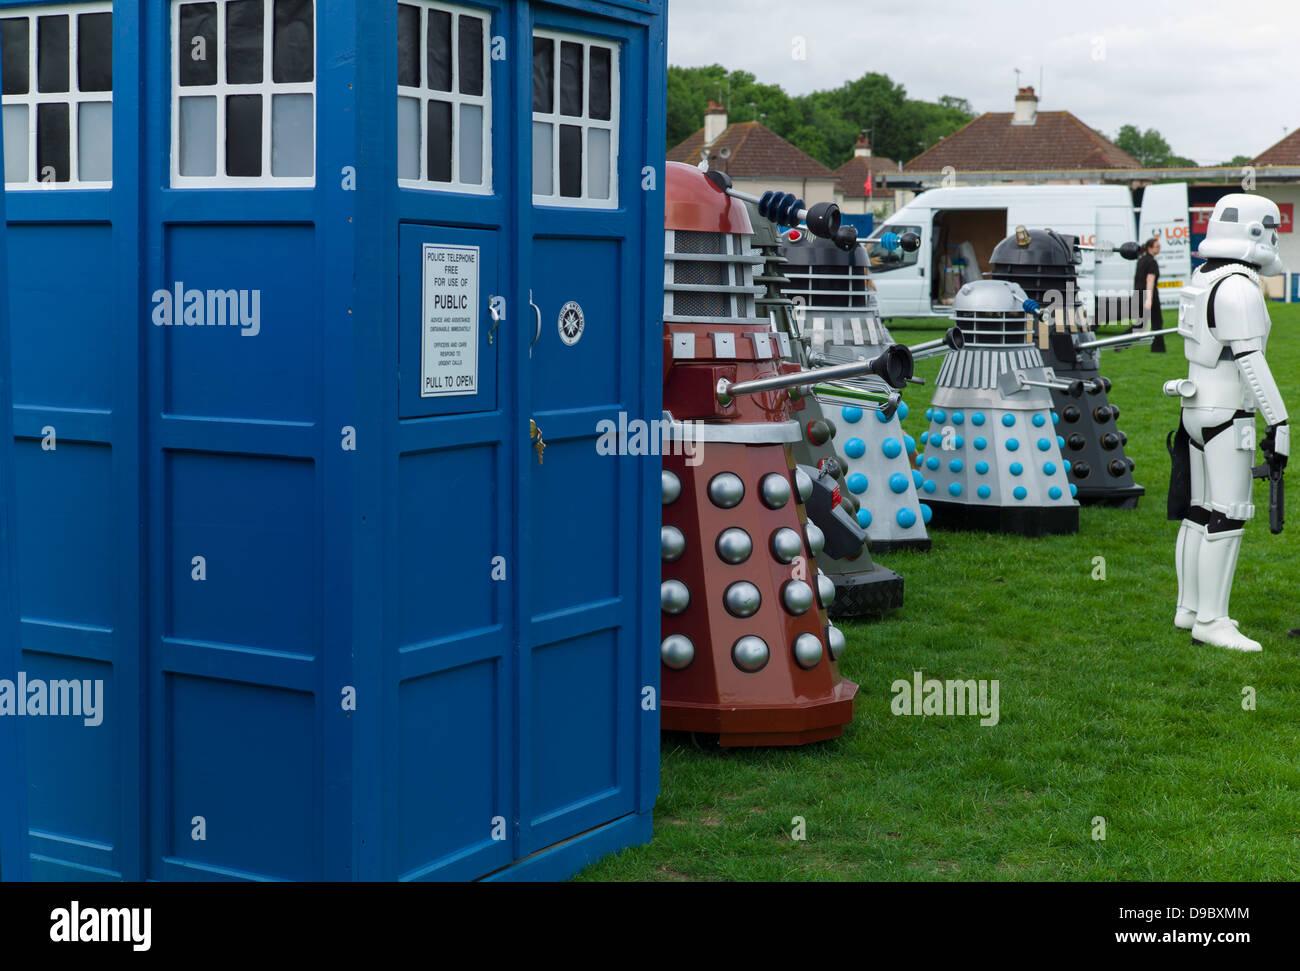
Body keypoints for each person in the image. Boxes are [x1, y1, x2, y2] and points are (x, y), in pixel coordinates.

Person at [1167, 194, 1288, 652]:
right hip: (1228, 411)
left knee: (1199, 511)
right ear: (1257, 232)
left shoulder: (1204, 276)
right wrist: (1279, 421)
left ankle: (1190, 608)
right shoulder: (1239, 285)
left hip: (1196, 407)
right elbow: (1251, 361)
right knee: (1229, 513)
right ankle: (1212, 620)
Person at [1133, 236, 1166, 352]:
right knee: (1157, 321)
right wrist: (1149, 299)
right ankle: (1158, 348)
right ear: (1149, 248)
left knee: (1140, 324)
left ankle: (1120, 342)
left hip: (1139, 293)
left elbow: (1136, 278)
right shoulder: (1152, 262)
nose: (1159, 249)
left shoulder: (1141, 260)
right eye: (1157, 247)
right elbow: (1150, 280)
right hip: (1149, 294)